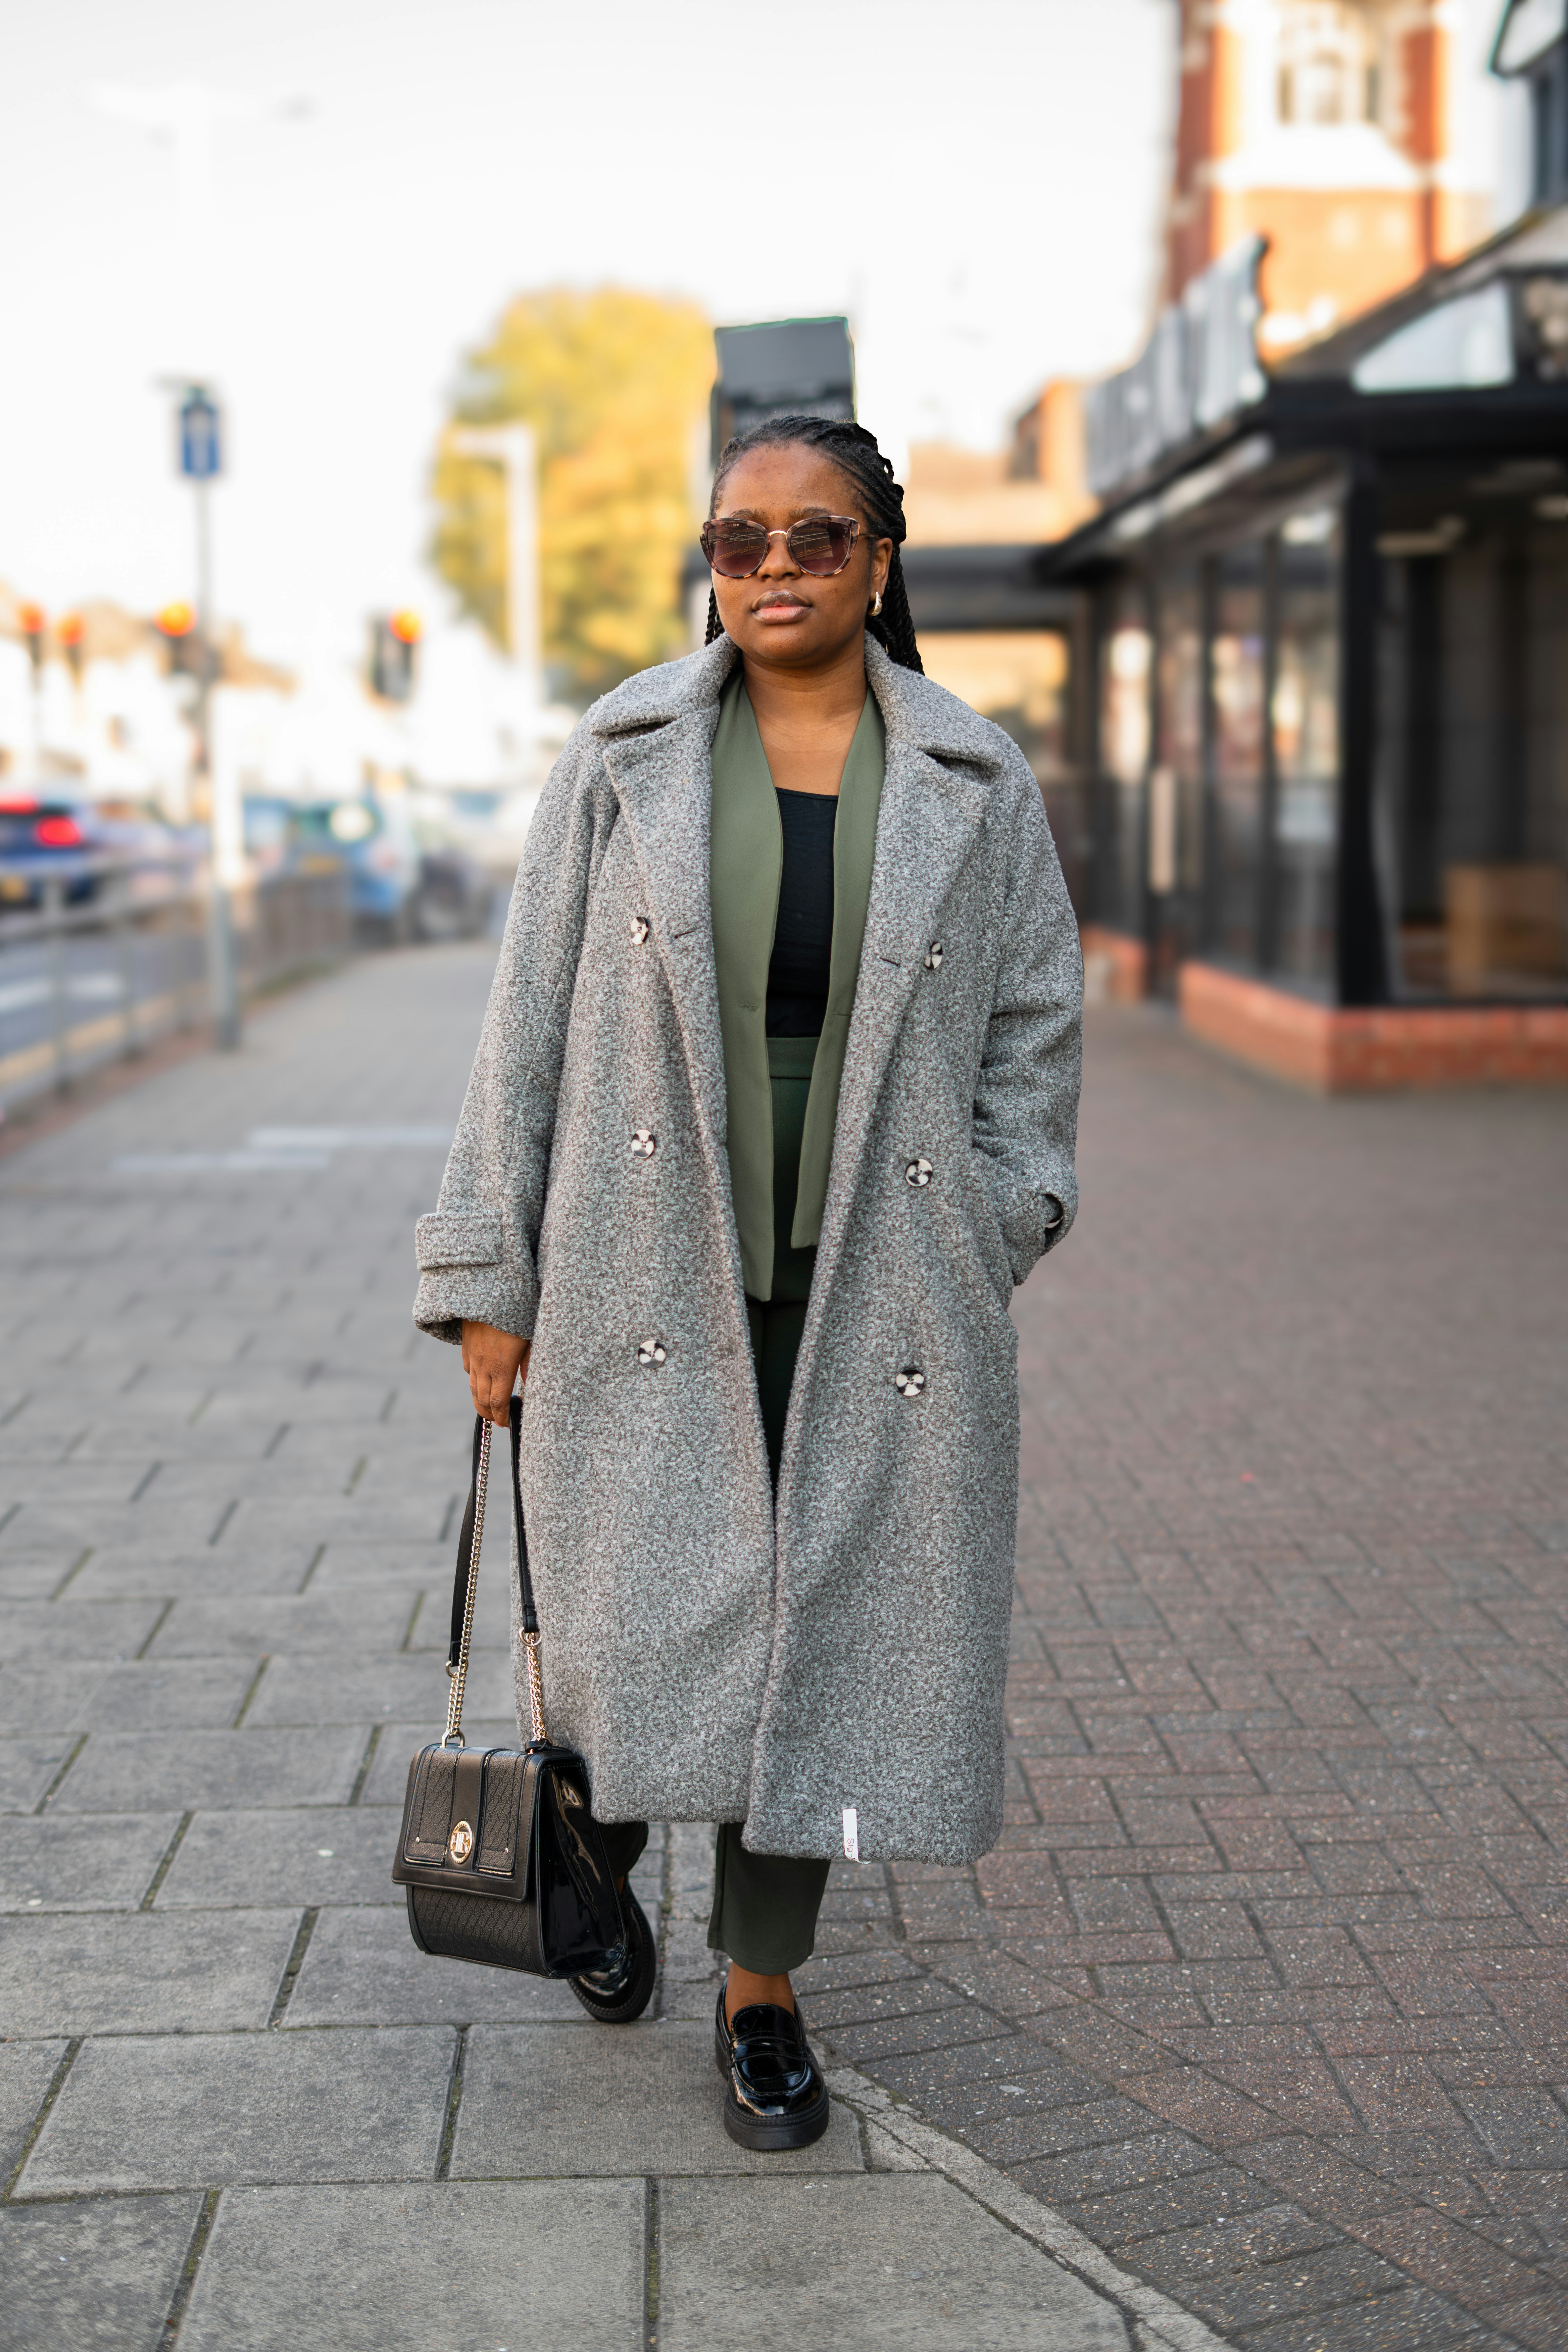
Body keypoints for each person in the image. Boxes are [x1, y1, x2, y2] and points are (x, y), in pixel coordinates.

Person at [413, 415, 1082, 2152]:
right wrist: (491, 1270)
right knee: (640, 1630)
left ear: (881, 557)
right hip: (638, 1271)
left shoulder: (974, 776)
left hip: (880, 1289)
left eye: (817, 536)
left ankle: (763, 1988)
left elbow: (1036, 1027)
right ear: (711, 563)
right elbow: (525, 1021)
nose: (776, 567)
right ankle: (590, 1875)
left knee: (821, 1638)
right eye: (741, 540)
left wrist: (998, 1218)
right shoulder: (622, 750)